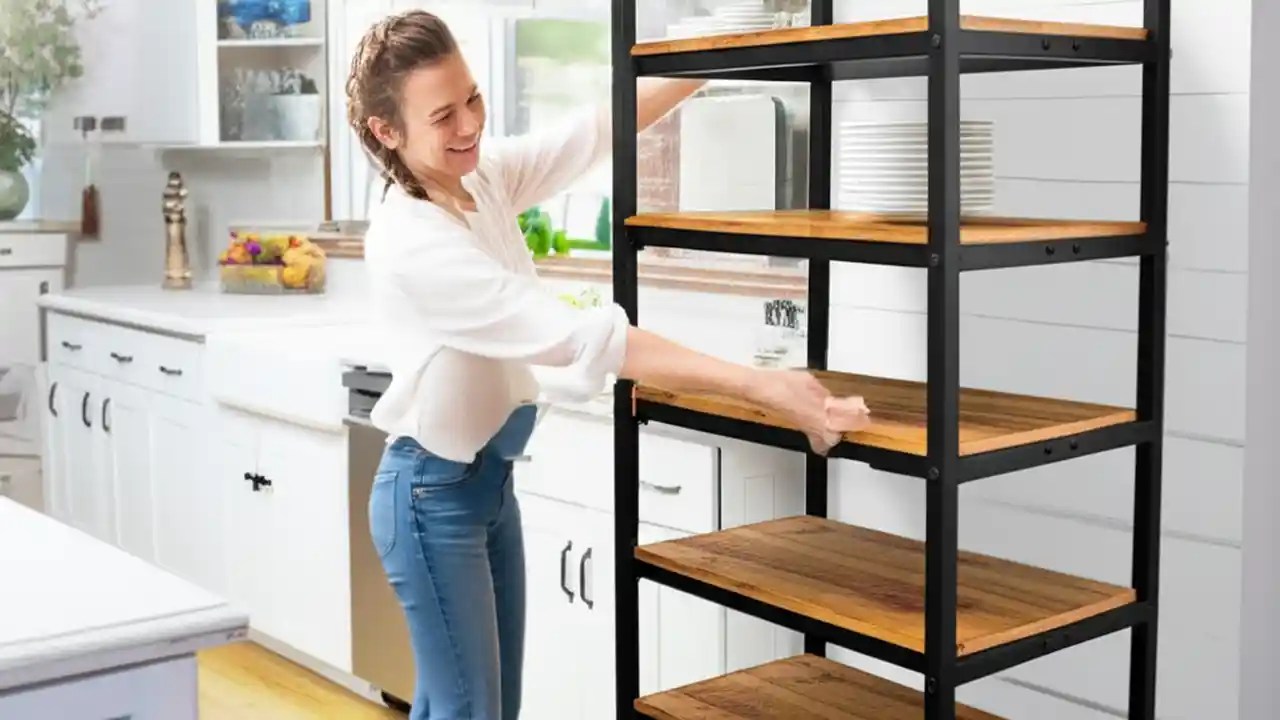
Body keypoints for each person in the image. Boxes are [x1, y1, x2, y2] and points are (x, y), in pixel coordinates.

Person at [345, 9, 870, 720]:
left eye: (472, 98)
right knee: (473, 713)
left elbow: (595, 132)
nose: (469, 124)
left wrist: (721, 47)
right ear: (387, 132)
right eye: (442, 115)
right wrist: (765, 386)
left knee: (472, 708)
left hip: (484, 488)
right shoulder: (412, 241)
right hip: (429, 498)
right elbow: (580, 338)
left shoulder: (481, 179)